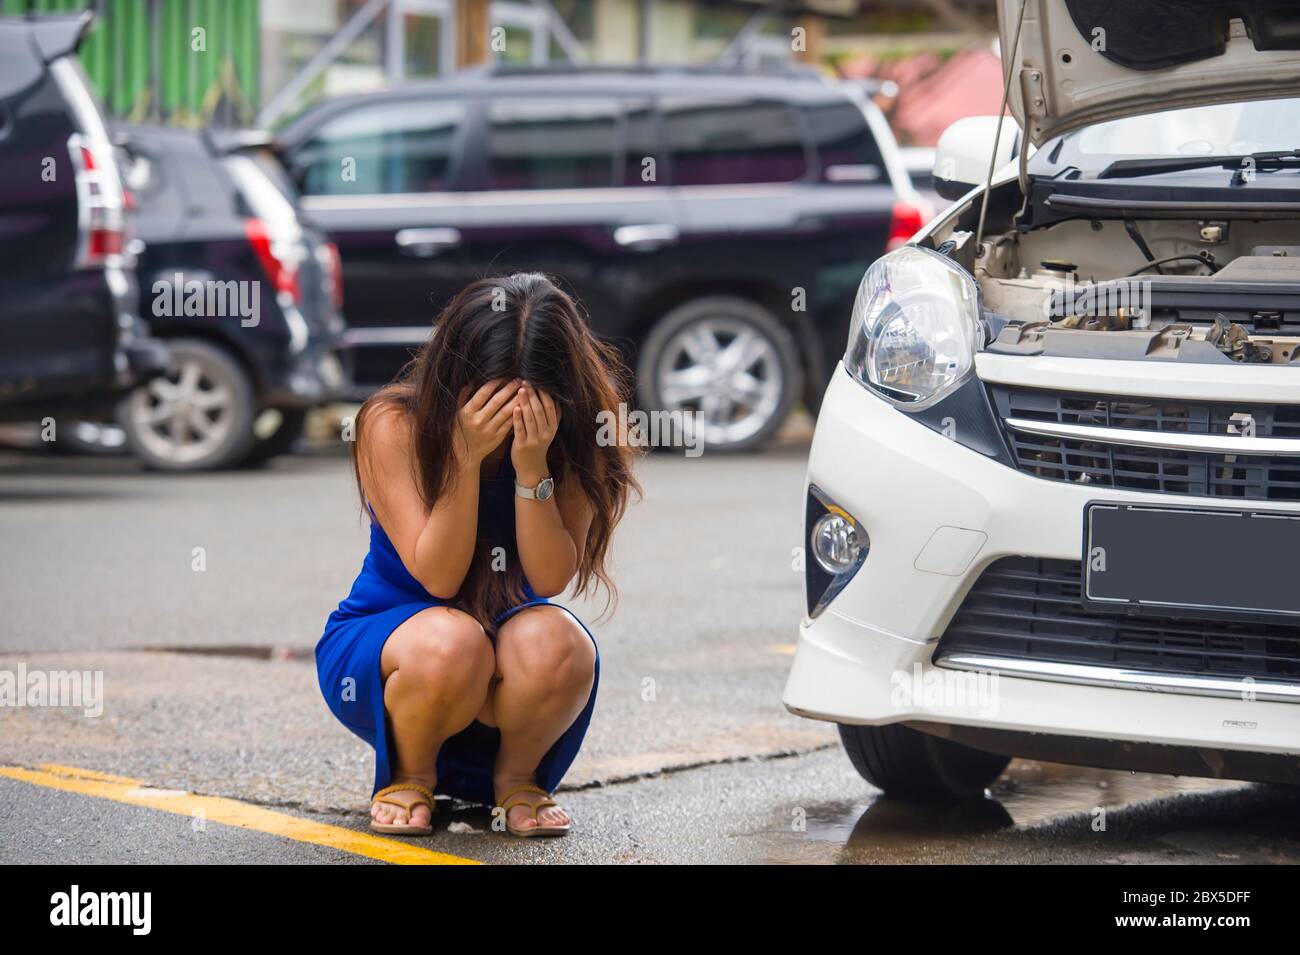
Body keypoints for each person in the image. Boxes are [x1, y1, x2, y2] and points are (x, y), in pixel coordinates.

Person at [316, 273, 638, 837]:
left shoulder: (585, 426)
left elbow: (550, 576)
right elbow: (439, 580)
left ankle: (518, 779)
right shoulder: (392, 423)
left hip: (511, 651)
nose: (510, 417)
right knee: (452, 639)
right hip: (399, 650)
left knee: (562, 642)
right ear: (452, 380)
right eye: (490, 400)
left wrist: (532, 467)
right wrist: (464, 461)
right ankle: (410, 775)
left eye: (531, 402)